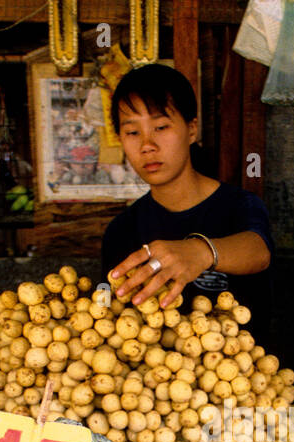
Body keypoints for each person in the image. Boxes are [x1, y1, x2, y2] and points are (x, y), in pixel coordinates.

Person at [101, 64, 273, 314]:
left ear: (192, 129)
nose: (147, 145)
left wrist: (201, 252)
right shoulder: (121, 231)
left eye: (161, 127)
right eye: (132, 132)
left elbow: (259, 251)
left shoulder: (240, 205)